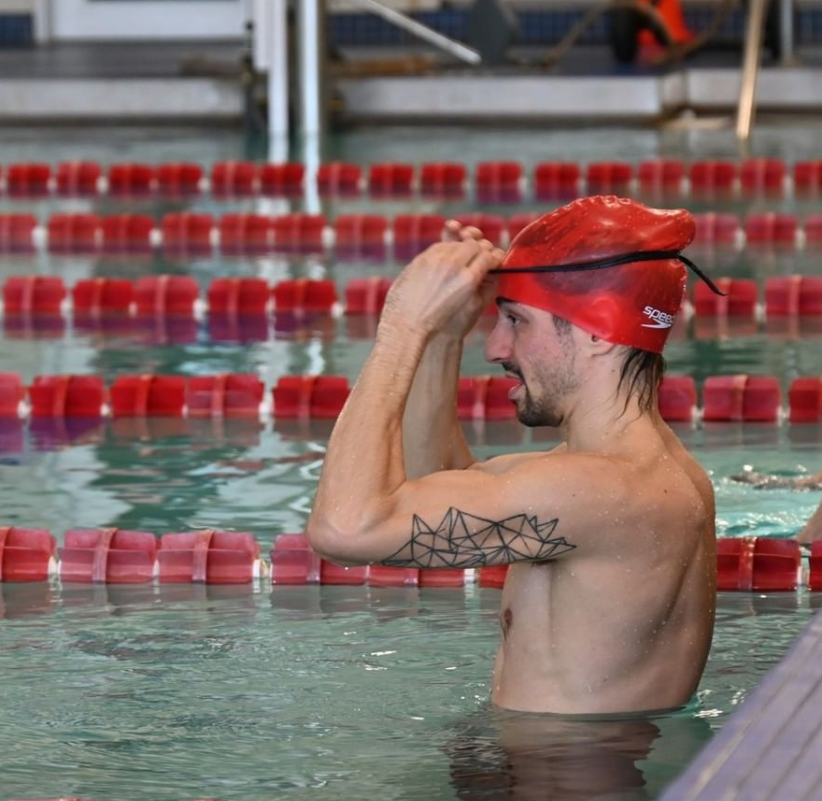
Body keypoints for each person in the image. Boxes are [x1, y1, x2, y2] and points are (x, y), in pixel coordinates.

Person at [307, 196, 717, 716]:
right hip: (564, 773)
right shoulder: (634, 474)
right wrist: (442, 340)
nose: (496, 347)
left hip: (553, 783)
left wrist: (402, 329)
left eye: (517, 321)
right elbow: (437, 487)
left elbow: (344, 531)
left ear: (597, 331)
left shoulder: (596, 489)